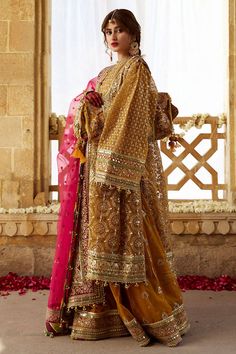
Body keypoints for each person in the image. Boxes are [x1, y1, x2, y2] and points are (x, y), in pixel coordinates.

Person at [45, 9, 190, 347]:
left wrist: (103, 128)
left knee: (131, 235)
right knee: (101, 237)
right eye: (108, 30)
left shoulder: (136, 69)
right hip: (98, 164)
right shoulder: (106, 72)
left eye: (120, 30)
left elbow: (132, 117)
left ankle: (142, 311)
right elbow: (95, 120)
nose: (113, 36)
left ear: (133, 35)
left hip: (122, 168)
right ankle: (102, 312)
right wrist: (88, 109)